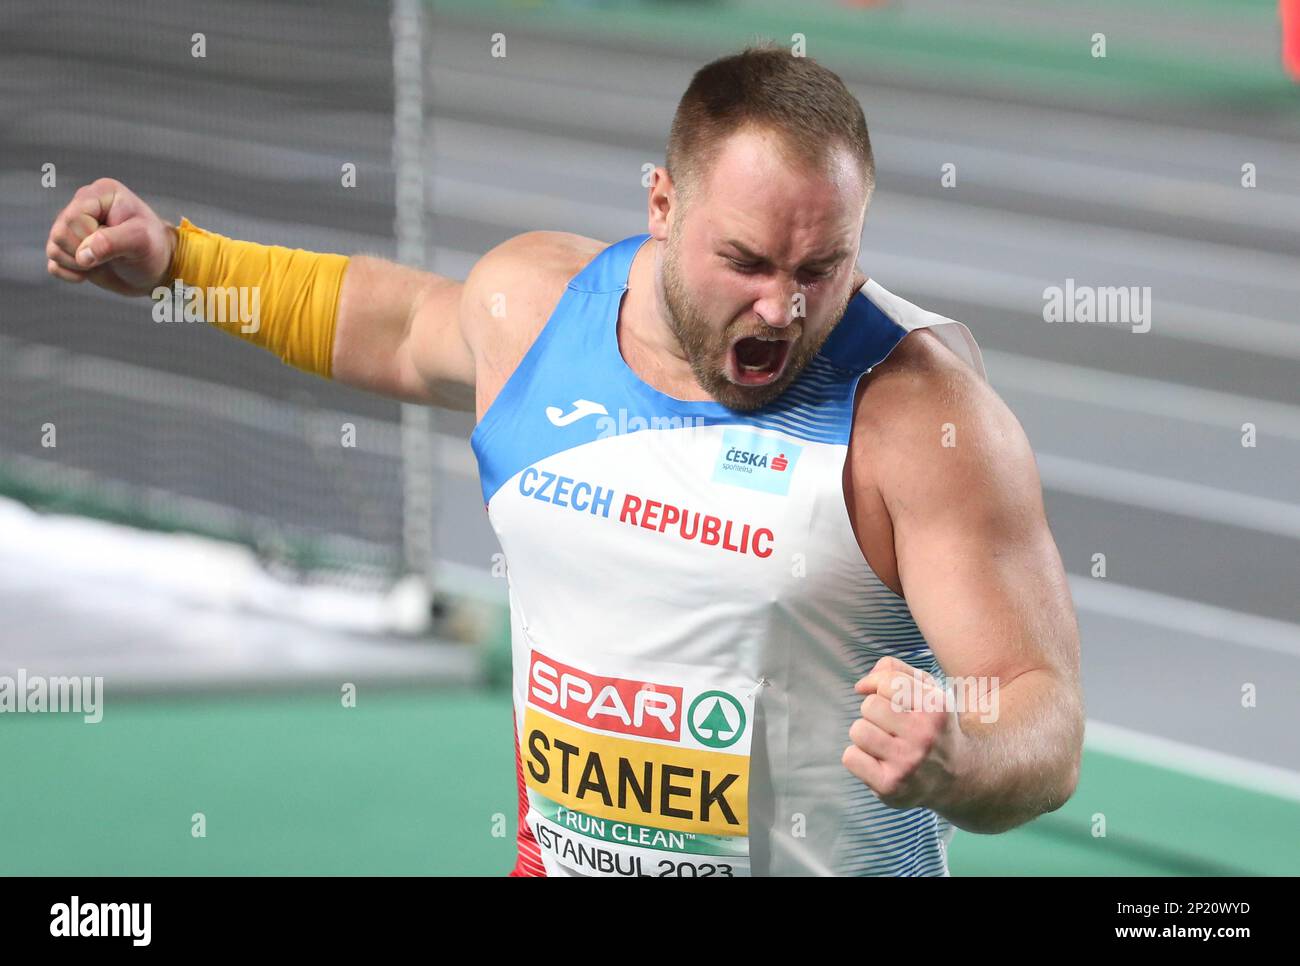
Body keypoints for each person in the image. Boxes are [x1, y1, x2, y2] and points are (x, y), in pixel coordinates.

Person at [44, 44, 1083, 876]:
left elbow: (1043, 711)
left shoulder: (916, 418)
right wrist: (184, 265)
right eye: (747, 262)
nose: (784, 305)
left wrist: (961, 755)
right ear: (661, 207)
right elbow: (399, 323)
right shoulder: (538, 312)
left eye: (823, 267)